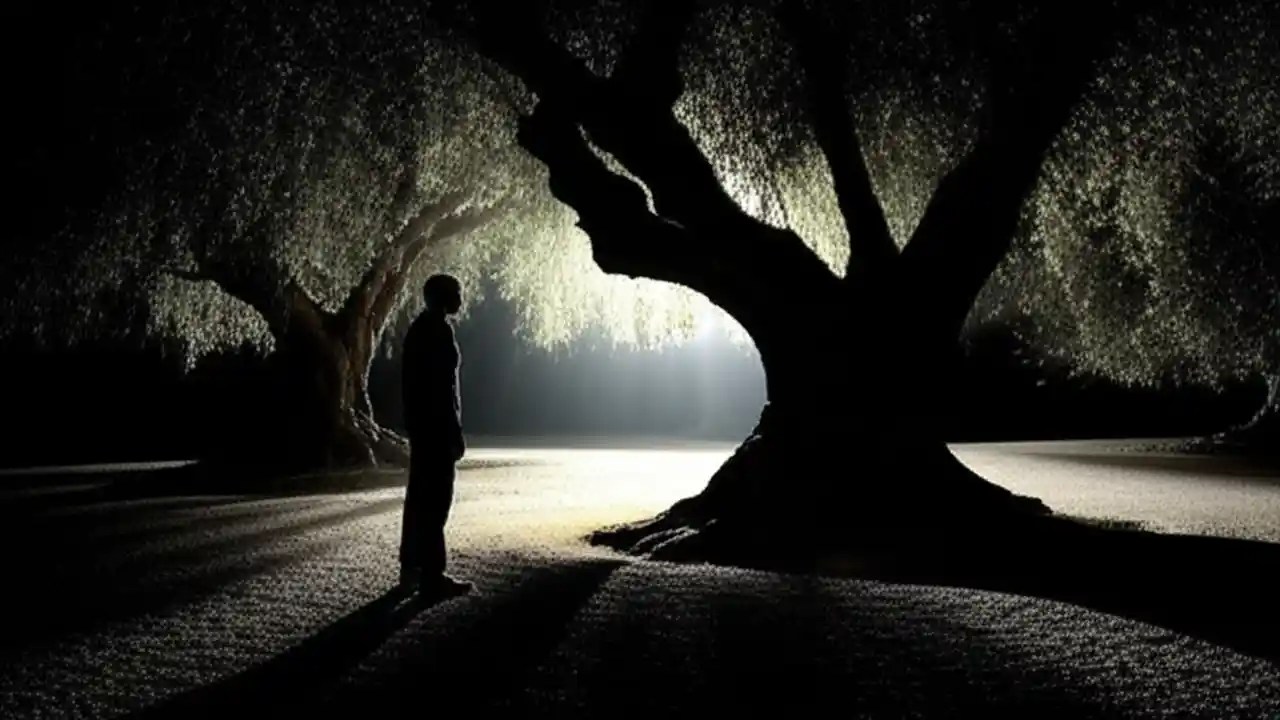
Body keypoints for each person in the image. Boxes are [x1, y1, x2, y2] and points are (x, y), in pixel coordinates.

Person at [398, 273, 472, 596]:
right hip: (436, 430)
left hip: (423, 427)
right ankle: (431, 575)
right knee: (436, 500)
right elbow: (441, 391)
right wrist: (454, 432)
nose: (460, 299)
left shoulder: (421, 329)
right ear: (443, 297)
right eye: (456, 293)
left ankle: (412, 568)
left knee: (420, 497)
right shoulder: (437, 333)